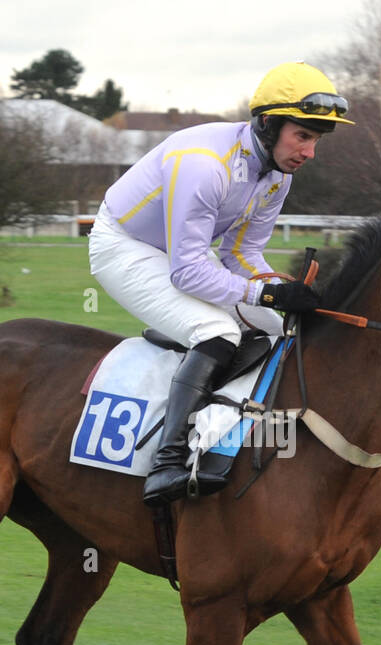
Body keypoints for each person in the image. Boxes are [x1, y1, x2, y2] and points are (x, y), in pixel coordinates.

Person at [88, 62, 353, 506]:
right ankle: (166, 463)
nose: (309, 152)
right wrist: (265, 292)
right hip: (124, 245)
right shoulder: (205, 165)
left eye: (316, 140)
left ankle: (244, 435)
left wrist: (283, 290)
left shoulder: (276, 176)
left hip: (178, 254)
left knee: (274, 331)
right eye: (302, 136)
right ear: (268, 124)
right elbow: (187, 271)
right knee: (217, 331)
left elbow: (240, 255)